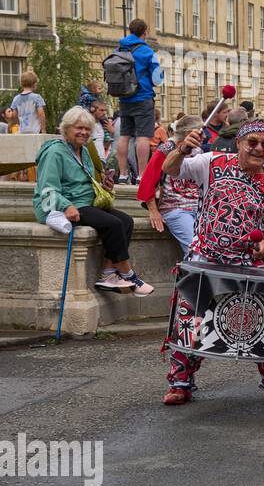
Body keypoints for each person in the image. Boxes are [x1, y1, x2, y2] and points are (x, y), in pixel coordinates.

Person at [161, 120, 264, 406]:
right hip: (204, 257)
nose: (259, 148)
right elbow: (170, 169)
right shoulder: (211, 162)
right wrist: (182, 149)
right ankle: (181, 381)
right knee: (189, 318)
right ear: (239, 144)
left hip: (246, 263)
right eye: (252, 142)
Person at [33, 107, 154, 295]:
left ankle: (108, 272)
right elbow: (47, 189)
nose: (84, 132)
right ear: (66, 128)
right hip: (64, 205)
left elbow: (84, 180)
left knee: (126, 221)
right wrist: (67, 206)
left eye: (87, 129)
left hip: (85, 202)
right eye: (78, 128)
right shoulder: (55, 152)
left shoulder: (83, 150)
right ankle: (128, 274)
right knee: (112, 224)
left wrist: (103, 186)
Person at [139, 114, 204, 256]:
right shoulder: (166, 149)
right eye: (201, 132)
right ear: (189, 134)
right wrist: (153, 210)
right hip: (175, 208)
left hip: (199, 208)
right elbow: (148, 180)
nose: (204, 137)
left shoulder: (198, 150)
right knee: (196, 251)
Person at [114, 20, 162, 184]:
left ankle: (122, 174)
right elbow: (157, 79)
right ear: (145, 32)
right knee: (143, 136)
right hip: (142, 97)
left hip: (124, 97)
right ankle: (142, 174)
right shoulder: (147, 52)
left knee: (124, 135)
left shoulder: (119, 49)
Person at [4, 70, 46, 135]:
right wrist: (43, 129)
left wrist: (18, 123)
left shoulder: (16, 98)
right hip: (35, 130)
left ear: (21, 84)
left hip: (22, 130)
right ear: (34, 84)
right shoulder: (37, 97)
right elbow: (41, 114)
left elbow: (14, 115)